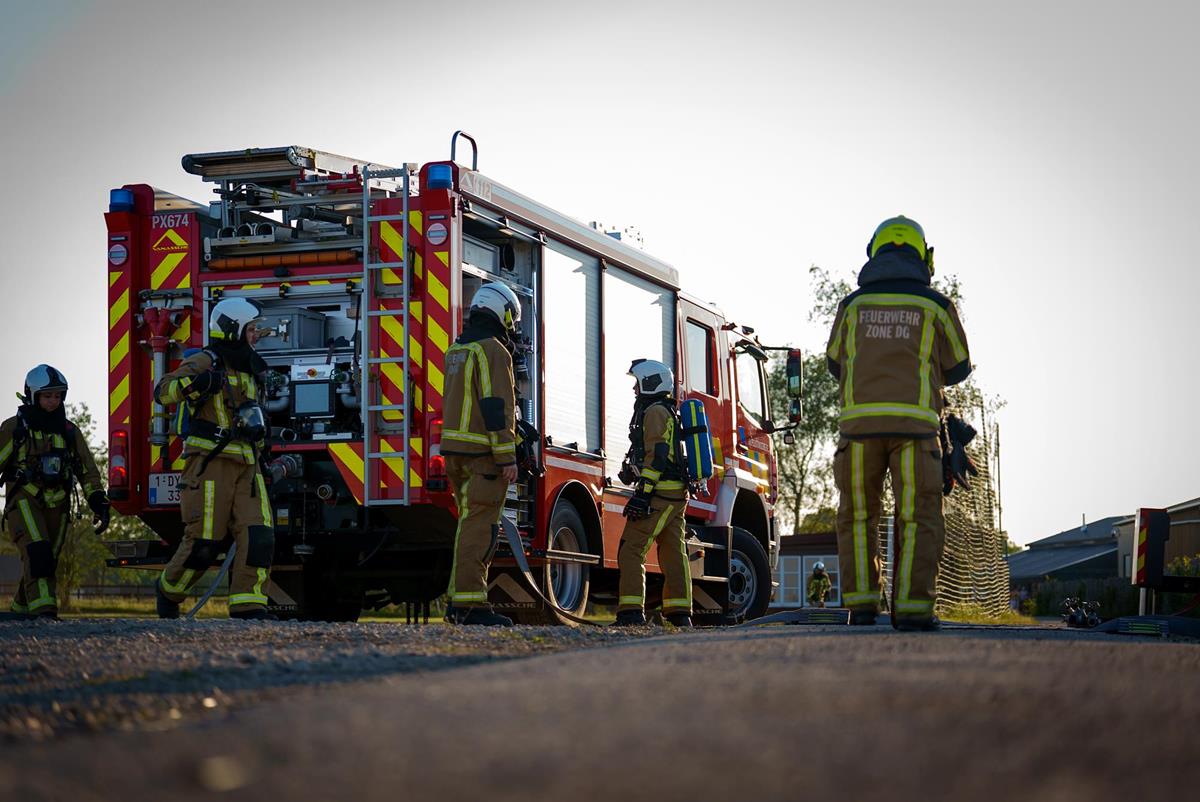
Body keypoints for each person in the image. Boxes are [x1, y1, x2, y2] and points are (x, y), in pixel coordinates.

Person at [825, 216, 971, 631]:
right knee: (919, 515)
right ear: (924, 256)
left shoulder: (851, 306)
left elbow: (835, 362)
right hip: (916, 430)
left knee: (856, 516)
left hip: (857, 432)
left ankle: (862, 606)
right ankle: (911, 610)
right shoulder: (937, 306)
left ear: (875, 251)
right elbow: (959, 366)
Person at [153, 298, 276, 621]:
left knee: (258, 535)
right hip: (210, 463)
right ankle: (169, 592)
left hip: (248, 465)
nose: (255, 335)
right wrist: (196, 384)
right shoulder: (207, 361)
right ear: (233, 329)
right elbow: (163, 391)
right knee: (204, 542)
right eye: (250, 329)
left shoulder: (252, 366)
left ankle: (248, 604)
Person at [441, 282, 522, 626]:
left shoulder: (457, 349)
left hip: (456, 453)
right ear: (501, 311)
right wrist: (507, 456)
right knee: (480, 528)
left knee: (466, 527)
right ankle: (470, 605)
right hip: (483, 455)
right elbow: (495, 405)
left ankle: (458, 601)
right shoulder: (493, 349)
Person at [0, 365, 110, 620]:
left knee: (47, 560)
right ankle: (45, 614)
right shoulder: (14, 429)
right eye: (47, 396)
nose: (53, 401)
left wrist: (98, 501)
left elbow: (88, 471)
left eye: (58, 396)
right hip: (25, 501)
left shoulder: (69, 431)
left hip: (59, 504)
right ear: (32, 395)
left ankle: (20, 612)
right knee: (38, 553)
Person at [613, 359, 692, 628]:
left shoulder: (656, 411)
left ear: (650, 382)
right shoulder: (664, 409)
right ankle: (680, 613)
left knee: (630, 549)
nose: (635, 389)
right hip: (674, 493)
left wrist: (643, 494)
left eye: (638, 383)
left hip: (660, 494)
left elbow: (657, 456)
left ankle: (631, 613)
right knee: (672, 552)